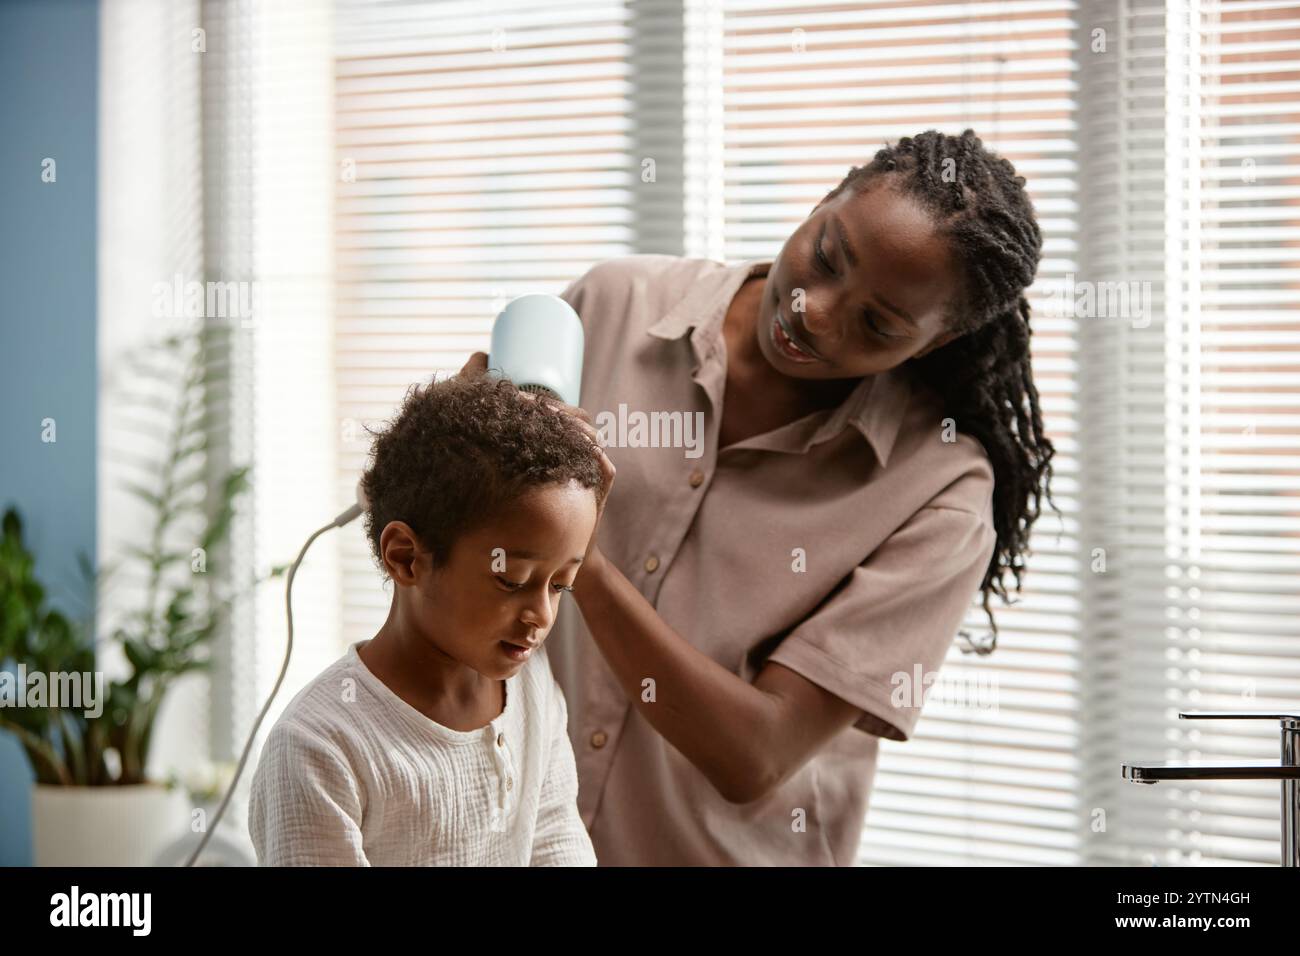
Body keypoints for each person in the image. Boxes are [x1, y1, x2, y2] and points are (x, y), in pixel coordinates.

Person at [461, 127, 1059, 865]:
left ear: (932, 344)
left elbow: (756, 754)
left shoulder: (941, 490)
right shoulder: (611, 306)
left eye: (877, 322)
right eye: (828, 254)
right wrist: (459, 459)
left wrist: (572, 544)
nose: (815, 309)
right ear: (827, 194)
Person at [248, 372, 613, 865]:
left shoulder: (531, 686)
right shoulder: (318, 749)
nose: (541, 616)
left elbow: (557, 842)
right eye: (511, 581)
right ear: (405, 557)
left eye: (560, 585)